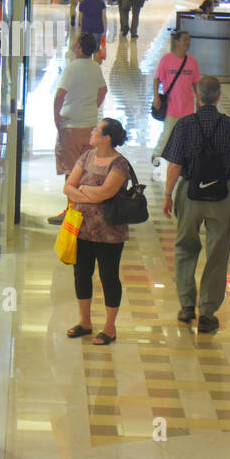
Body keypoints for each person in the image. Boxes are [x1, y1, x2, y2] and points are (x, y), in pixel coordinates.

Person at [159, 77, 230, 333]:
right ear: (219, 96)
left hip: (190, 194)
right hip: (222, 195)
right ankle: (208, 313)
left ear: (197, 96)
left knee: (185, 247)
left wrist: (168, 194)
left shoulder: (184, 125)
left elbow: (175, 165)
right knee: (218, 253)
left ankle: (187, 305)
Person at [62, 118, 134, 346]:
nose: (92, 132)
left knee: (108, 276)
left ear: (107, 138)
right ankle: (85, 322)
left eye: (96, 130)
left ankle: (109, 327)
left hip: (109, 231)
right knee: (81, 274)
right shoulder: (87, 156)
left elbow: (107, 193)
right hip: (82, 227)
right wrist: (84, 193)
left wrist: (81, 191)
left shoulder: (120, 164)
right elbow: (67, 187)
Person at [49, 33, 108, 224]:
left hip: (71, 126)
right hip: (90, 126)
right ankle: (85, 211)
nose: (72, 46)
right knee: (86, 170)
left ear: (80, 48)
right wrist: (93, 107)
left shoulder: (72, 68)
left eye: (75, 43)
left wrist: (56, 117)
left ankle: (71, 213)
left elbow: (59, 96)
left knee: (71, 171)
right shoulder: (95, 67)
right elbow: (103, 90)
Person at [151, 31, 201, 167]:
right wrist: (156, 97)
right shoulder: (166, 60)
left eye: (188, 39)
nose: (187, 42)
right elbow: (156, 80)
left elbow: (196, 83)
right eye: (184, 39)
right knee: (167, 133)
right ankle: (157, 155)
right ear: (176, 42)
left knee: (189, 135)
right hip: (172, 107)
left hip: (188, 107)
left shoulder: (192, 61)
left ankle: (187, 159)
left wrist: (199, 100)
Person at [78, 0, 108, 64]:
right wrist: (105, 31)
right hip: (98, 29)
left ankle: (87, 68)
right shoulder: (101, 3)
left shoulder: (83, 3)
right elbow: (104, 17)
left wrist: (80, 30)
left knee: (86, 50)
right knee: (96, 49)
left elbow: (80, 18)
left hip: (86, 29)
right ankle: (96, 68)